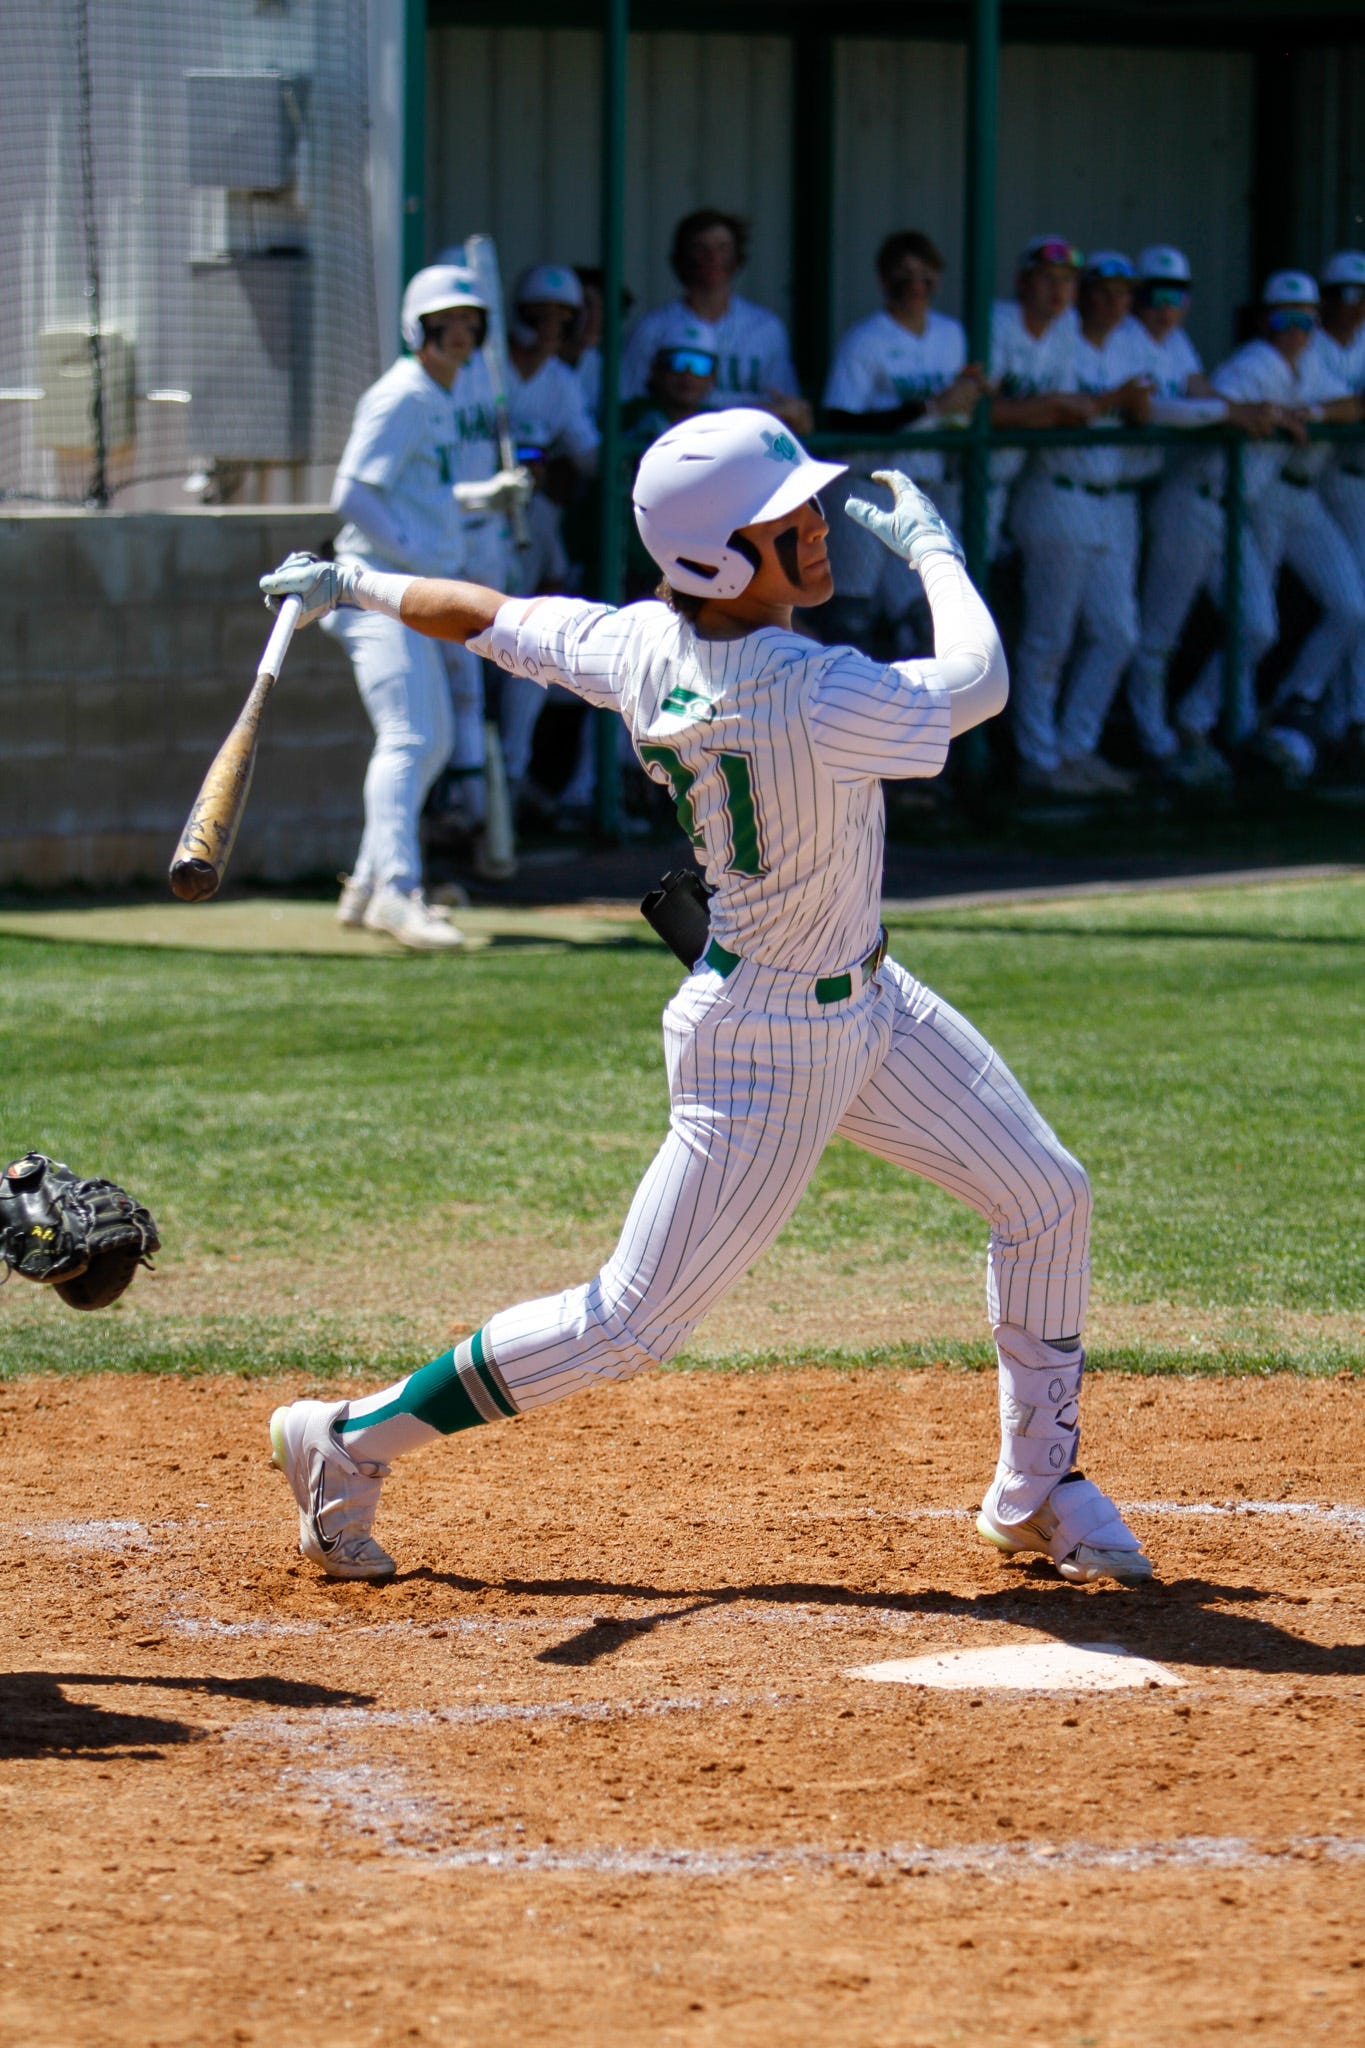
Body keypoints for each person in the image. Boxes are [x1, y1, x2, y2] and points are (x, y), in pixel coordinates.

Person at [259, 407, 1152, 1592]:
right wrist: (935, 549)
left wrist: (354, 581)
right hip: (766, 1044)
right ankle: (349, 1437)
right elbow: (979, 682)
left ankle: (1039, 1486)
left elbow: (482, 615)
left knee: (1046, 1195)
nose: (820, 531)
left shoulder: (643, 646)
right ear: (718, 559)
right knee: (627, 1324)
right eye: (789, 525)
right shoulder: (802, 685)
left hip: (866, 997)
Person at [325, 263, 518, 949]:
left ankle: (368, 883)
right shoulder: (402, 395)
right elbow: (351, 493)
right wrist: (407, 555)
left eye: (470, 322)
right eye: (448, 323)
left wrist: (483, 495)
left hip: (406, 591)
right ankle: (397, 893)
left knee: (429, 741)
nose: (461, 334)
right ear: (421, 330)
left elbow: (419, 493)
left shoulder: (441, 396)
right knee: (411, 738)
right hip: (372, 589)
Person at [994, 237, 1153, 794]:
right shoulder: (1053, 339)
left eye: (1122, 293)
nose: (1111, 303)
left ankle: (1075, 748)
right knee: (1049, 637)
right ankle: (1039, 759)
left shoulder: (1102, 343)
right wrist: (1099, 403)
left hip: (1110, 502)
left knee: (1118, 634)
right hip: (1055, 493)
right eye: (1100, 292)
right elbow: (1063, 408)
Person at [1123, 245, 1279, 782]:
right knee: (1157, 631)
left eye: (1177, 297)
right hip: (1180, 501)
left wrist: (1248, 411)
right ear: (1137, 298)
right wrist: (1231, 411)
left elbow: (1200, 391)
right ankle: (1155, 740)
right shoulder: (1126, 339)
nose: (1166, 308)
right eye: (1155, 296)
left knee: (1258, 626)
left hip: (1217, 506)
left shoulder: (1178, 343)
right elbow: (1158, 411)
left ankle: (1195, 719)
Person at [1212, 271, 1365, 751]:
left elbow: (1354, 405)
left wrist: (1313, 413)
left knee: (1351, 607)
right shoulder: (1256, 361)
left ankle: (1295, 697)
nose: (1295, 329)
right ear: (1266, 321)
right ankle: (1232, 723)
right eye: (1285, 318)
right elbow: (1222, 405)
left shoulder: (1309, 363)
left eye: (1305, 320)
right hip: (1259, 495)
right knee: (1258, 621)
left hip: (1304, 496)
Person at [820, 230, 985, 649]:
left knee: (926, 617)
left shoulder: (952, 335)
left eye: (925, 275)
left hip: (929, 488)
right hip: (868, 487)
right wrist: (930, 407)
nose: (915, 285)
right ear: (884, 281)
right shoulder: (866, 338)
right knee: (852, 618)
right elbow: (840, 422)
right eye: (904, 275)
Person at [621, 208, 812, 432]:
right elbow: (627, 403)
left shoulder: (767, 327)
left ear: (737, 257)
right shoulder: (653, 327)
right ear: (682, 258)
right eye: (701, 249)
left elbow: (789, 407)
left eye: (723, 248)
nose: (713, 258)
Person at [1315, 251, 1365, 774]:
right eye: (1344, 296)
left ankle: (1351, 717)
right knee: (1351, 605)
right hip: (1330, 482)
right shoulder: (1314, 347)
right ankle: (1332, 714)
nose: (1354, 307)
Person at [507, 265, 602, 476]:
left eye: (562, 317)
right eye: (540, 315)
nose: (551, 326)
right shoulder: (485, 367)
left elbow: (587, 454)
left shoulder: (563, 381)